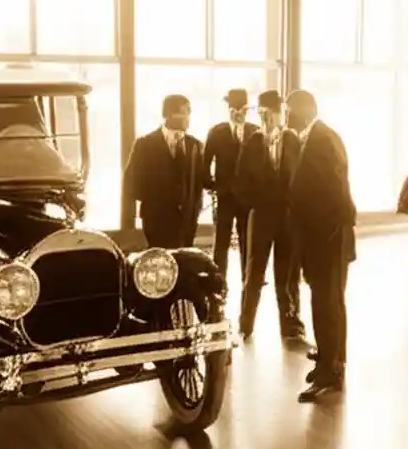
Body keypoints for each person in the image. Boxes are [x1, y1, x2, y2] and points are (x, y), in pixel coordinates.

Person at [286, 89, 356, 402]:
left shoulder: (322, 139)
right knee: (328, 301)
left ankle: (331, 371)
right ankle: (331, 358)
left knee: (326, 303)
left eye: (290, 110)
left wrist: (328, 232)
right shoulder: (315, 137)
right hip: (321, 237)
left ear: (306, 110)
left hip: (325, 239)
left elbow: (337, 191)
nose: (287, 116)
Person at [233, 90, 306, 342]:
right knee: (254, 272)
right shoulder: (253, 142)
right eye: (263, 115)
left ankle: (290, 324)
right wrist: (256, 204)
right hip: (262, 216)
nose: (268, 120)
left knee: (288, 275)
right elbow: (240, 182)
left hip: (287, 217)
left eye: (272, 114)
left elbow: (300, 178)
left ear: (280, 113)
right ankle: (246, 324)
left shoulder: (293, 140)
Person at [123, 94, 206, 248]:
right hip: (156, 220)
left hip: (187, 221)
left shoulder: (195, 145)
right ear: (169, 115)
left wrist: (195, 208)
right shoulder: (145, 145)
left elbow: (201, 180)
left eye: (189, 112)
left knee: (185, 264)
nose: (188, 117)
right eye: (185, 112)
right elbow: (131, 182)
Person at [204, 89, 259, 278]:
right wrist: (212, 186)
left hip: (247, 198)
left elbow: (262, 163)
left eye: (242, 109)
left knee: (247, 239)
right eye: (234, 109)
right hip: (225, 196)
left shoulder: (254, 131)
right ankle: (218, 279)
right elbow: (205, 162)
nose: (238, 113)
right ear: (228, 109)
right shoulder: (217, 132)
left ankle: (248, 277)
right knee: (221, 240)